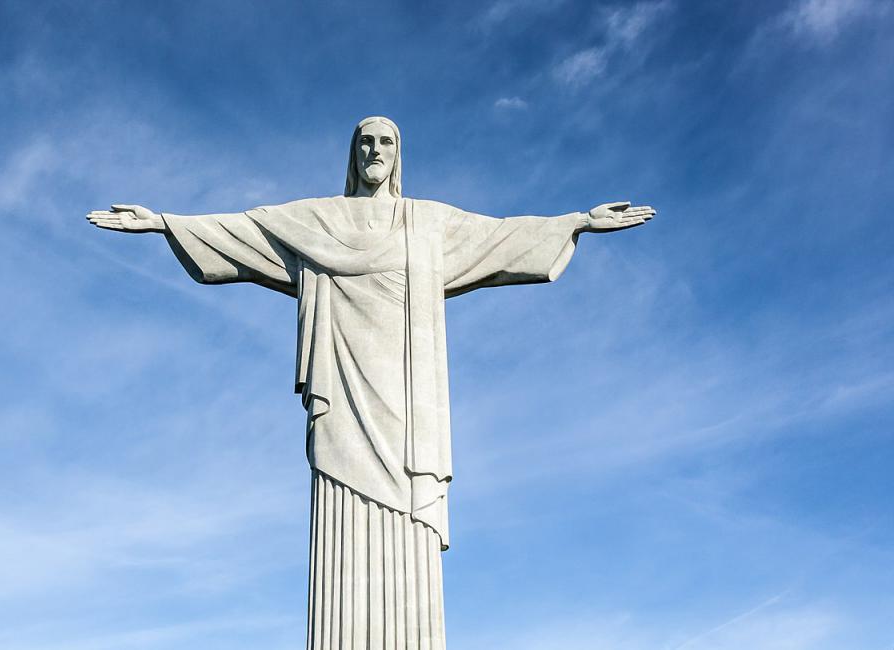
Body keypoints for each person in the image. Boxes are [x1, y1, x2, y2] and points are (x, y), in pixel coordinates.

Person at [87, 115, 654, 650]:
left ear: (398, 154)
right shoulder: (316, 222)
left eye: (385, 142)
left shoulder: (428, 224)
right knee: (341, 513)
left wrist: (576, 221)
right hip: (342, 396)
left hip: (408, 405)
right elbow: (245, 230)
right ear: (352, 155)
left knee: (408, 522)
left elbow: (501, 237)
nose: (374, 151)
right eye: (364, 142)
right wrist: (165, 222)